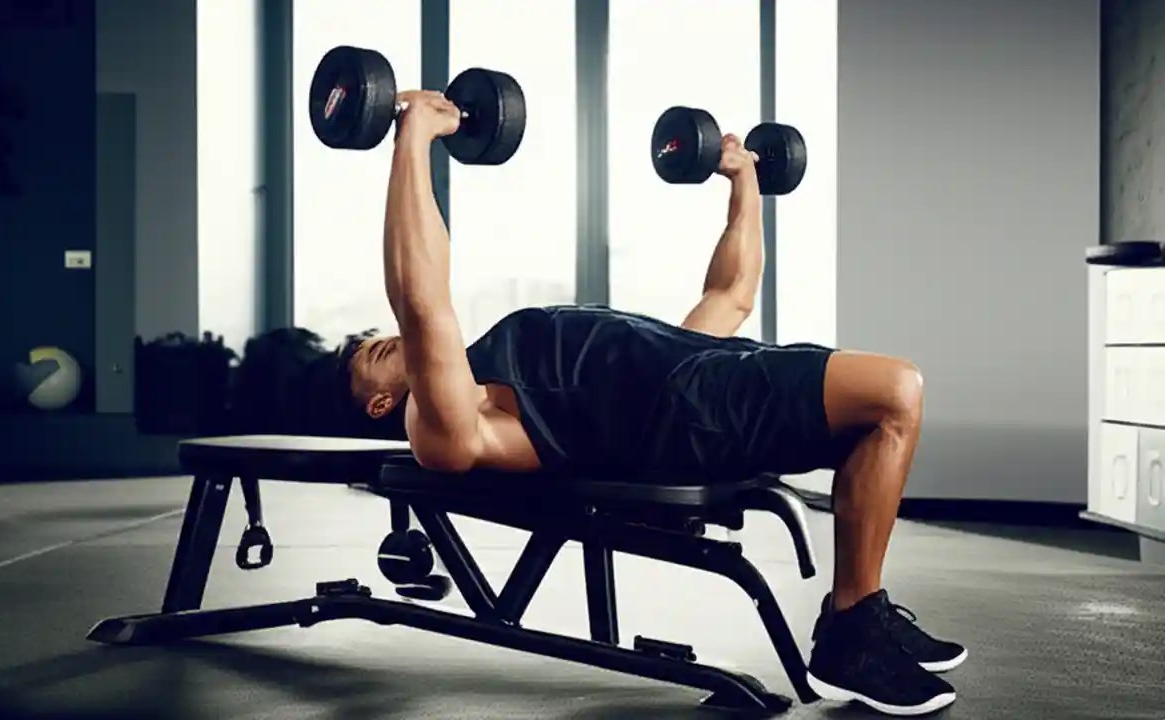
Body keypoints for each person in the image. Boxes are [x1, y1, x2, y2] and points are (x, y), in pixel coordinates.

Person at [319, 90, 965, 716]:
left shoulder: (505, 357)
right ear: (379, 404)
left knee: (879, 413)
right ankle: (851, 629)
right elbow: (423, 301)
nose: (394, 339)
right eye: (379, 354)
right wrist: (411, 143)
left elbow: (732, 294)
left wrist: (743, 180)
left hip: (702, 372)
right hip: (686, 417)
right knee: (894, 389)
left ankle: (863, 610)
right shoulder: (444, 427)